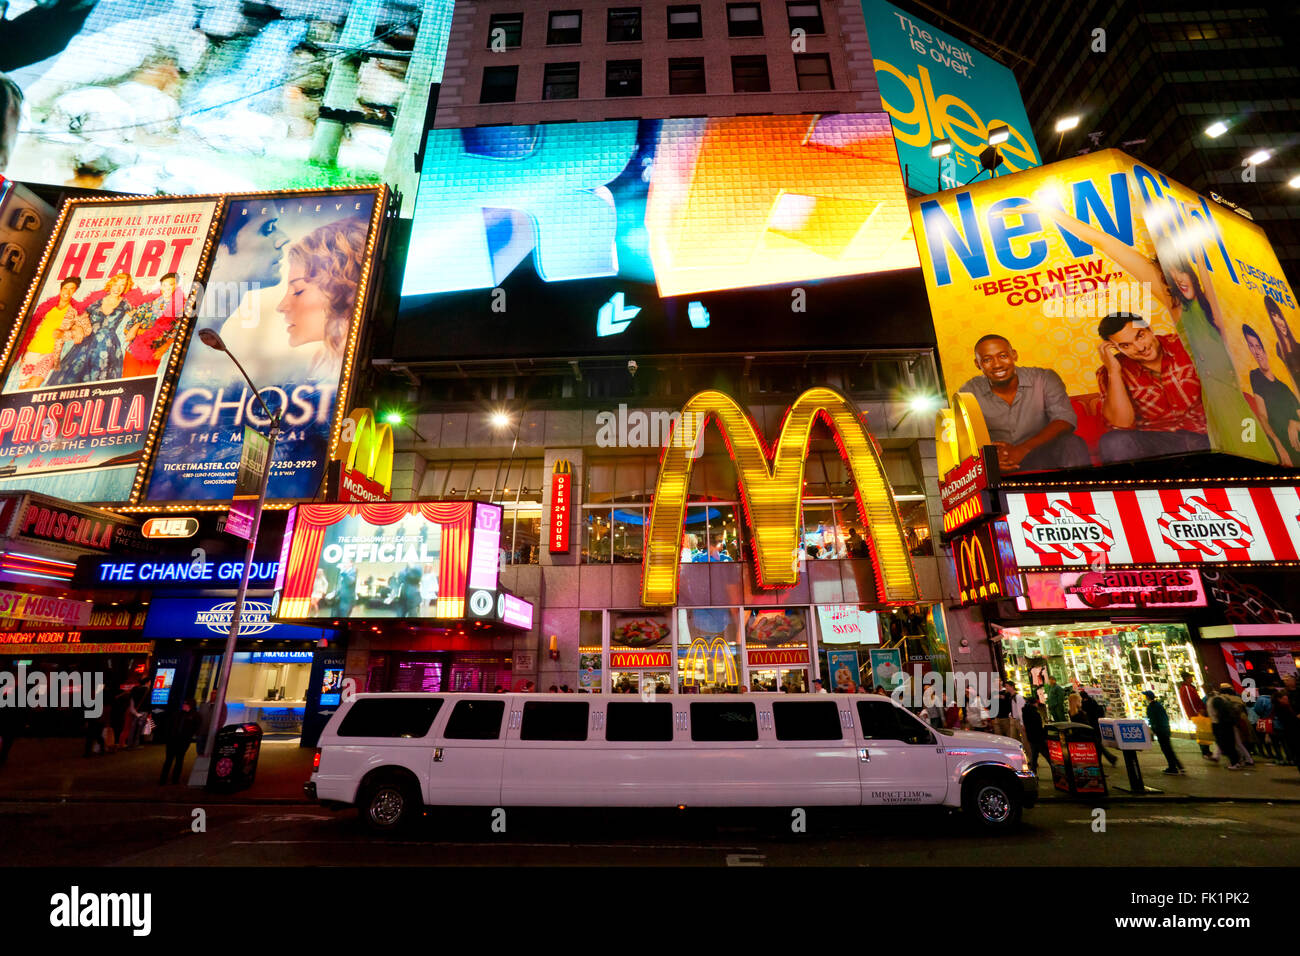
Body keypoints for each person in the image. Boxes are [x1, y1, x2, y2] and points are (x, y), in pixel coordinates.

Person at [1033, 202, 1272, 461]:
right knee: (1119, 442)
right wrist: (1051, 212)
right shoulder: (1177, 308)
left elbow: (1203, 270)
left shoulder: (1210, 313)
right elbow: (1105, 244)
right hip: (1188, 432)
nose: (1177, 279)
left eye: (1180, 271)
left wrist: (1191, 222)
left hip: (1230, 413)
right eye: (1168, 275)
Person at [958, 334, 1090, 471]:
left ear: (1014, 355)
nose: (997, 365)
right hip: (1000, 462)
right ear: (977, 364)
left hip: (1043, 452)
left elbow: (1065, 420)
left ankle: (1083, 492)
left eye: (1003, 356)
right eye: (987, 360)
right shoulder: (968, 393)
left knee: (1072, 443)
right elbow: (964, 441)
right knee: (980, 465)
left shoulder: (1043, 378)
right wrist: (989, 458)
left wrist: (1023, 449)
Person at [1094, 312, 1212, 461]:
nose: (1140, 348)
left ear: (1149, 328)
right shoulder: (1109, 372)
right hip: (1155, 443)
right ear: (1116, 349)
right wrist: (1114, 372)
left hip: (1203, 435)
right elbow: (1121, 424)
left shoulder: (1184, 345)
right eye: (1126, 345)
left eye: (1140, 336)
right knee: (1113, 441)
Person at [275, 217, 368, 382]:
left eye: (298, 291)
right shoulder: (321, 364)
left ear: (343, 290)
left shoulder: (343, 370)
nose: (281, 306)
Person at [47, 272, 137, 386]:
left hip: (108, 346)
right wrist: (78, 327)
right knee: (71, 379)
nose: (117, 288)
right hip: (86, 343)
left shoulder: (126, 304)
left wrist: (134, 327)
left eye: (122, 285)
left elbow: (140, 317)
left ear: (126, 287)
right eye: (115, 284)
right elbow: (78, 318)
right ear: (111, 284)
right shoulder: (95, 301)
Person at [9, 276, 85, 389]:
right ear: (61, 289)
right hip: (32, 350)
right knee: (23, 387)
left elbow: (85, 330)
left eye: (71, 288)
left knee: (34, 386)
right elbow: (30, 328)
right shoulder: (46, 306)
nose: (67, 291)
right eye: (65, 288)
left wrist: (73, 331)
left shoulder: (76, 310)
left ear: (75, 290)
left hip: (50, 353)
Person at [1242, 322, 1300, 465]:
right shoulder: (1255, 376)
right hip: (1285, 450)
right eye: (1251, 346)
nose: (1256, 351)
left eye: (1258, 347)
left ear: (1265, 349)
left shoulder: (1284, 387)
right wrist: (1278, 444)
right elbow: (1262, 415)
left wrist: (1295, 424)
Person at [122, 272, 185, 377]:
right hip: (134, 350)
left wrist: (163, 348)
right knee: (127, 381)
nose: (167, 288)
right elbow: (128, 328)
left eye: (171, 284)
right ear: (161, 287)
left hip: (155, 352)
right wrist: (137, 329)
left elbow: (175, 332)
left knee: (145, 385)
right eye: (165, 285)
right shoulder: (148, 305)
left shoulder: (179, 310)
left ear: (177, 286)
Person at [158, 699, 202, 786]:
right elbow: (170, 725)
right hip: (173, 740)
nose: (184, 705)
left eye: (186, 704)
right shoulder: (178, 714)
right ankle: (163, 779)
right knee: (169, 760)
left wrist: (189, 736)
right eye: (184, 703)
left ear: (190, 705)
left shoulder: (195, 716)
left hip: (183, 741)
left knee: (179, 760)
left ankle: (175, 779)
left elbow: (196, 727)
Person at [1142, 690, 1184, 774]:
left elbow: (1152, 720)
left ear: (1148, 697)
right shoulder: (1158, 705)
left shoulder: (1151, 707)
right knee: (1168, 748)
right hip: (1165, 728)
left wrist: (1153, 731)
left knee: (1166, 749)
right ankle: (1178, 766)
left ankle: (1173, 767)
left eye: (1145, 696)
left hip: (1160, 730)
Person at [1265, 294, 1300, 392]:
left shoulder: (1298, 347)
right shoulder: (1277, 350)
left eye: (1280, 316)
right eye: (1274, 315)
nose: (1281, 322)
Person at [1021, 688, 1048, 772]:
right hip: (1038, 737)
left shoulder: (1025, 712)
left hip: (1031, 736)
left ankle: (1033, 771)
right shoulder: (1034, 713)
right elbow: (1038, 726)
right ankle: (1056, 771)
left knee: (1034, 755)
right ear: (1034, 703)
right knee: (1047, 755)